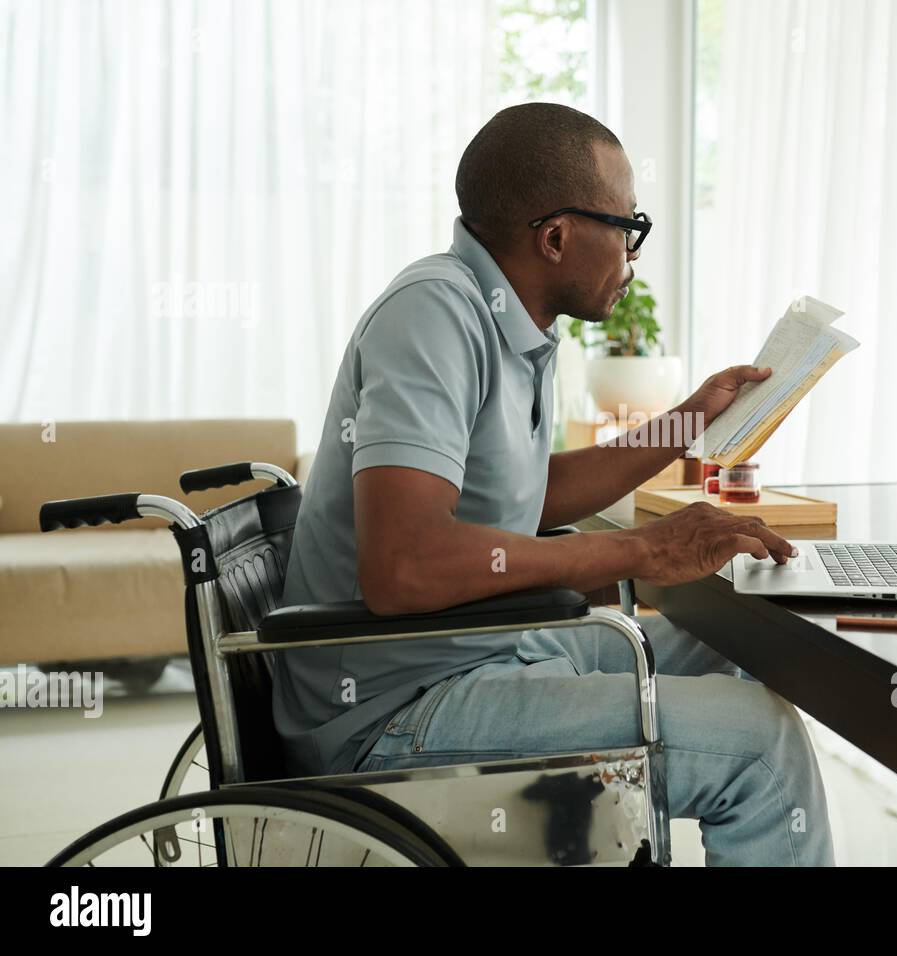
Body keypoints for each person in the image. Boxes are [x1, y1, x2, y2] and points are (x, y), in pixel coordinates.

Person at [274, 102, 834, 866]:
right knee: (761, 749)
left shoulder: (511, 323)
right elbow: (403, 566)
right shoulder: (434, 315)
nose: (635, 253)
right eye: (628, 226)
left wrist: (689, 419)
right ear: (557, 236)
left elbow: (528, 494)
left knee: (732, 645)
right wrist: (637, 551)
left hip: (486, 650)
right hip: (399, 709)